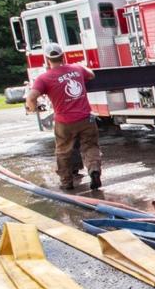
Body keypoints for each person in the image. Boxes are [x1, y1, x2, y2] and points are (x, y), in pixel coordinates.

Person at [25, 42, 103, 191]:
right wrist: (78, 68)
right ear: (63, 56)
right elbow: (91, 74)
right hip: (86, 118)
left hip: (64, 122)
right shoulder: (77, 69)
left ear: (47, 59)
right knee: (90, 146)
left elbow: (31, 97)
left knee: (63, 151)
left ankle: (67, 182)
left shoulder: (44, 78)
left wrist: (33, 107)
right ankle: (94, 170)